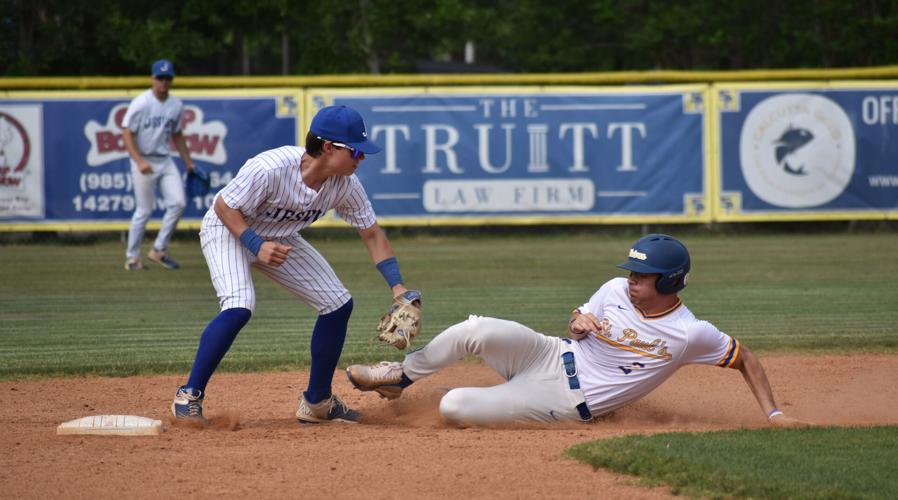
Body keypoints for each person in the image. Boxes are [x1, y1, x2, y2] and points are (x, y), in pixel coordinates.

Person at [347, 234, 807, 427]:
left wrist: (774, 415)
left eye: (641, 276)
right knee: (478, 328)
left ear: (668, 282)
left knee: (453, 406)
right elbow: (577, 322)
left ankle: (439, 390)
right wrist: (578, 322)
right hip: (548, 353)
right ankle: (401, 377)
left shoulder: (689, 334)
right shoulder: (613, 289)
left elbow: (745, 358)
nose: (630, 279)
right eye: (630, 271)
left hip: (565, 402)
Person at [171, 105, 413, 425]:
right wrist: (256, 245)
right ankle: (188, 395)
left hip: (280, 238)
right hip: (228, 229)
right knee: (239, 305)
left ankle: (317, 403)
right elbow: (224, 206)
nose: (362, 157)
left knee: (337, 304)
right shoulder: (271, 167)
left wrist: (398, 288)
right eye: (356, 150)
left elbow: (372, 234)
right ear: (328, 147)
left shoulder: (345, 184)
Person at [122, 58, 195, 271]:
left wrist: (188, 162)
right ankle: (132, 258)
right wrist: (139, 160)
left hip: (164, 160)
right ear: (153, 78)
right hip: (143, 160)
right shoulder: (141, 103)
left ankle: (159, 250)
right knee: (144, 210)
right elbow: (127, 133)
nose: (164, 82)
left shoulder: (176, 105)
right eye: (160, 78)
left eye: (168, 78)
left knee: (178, 203)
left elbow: (178, 134)